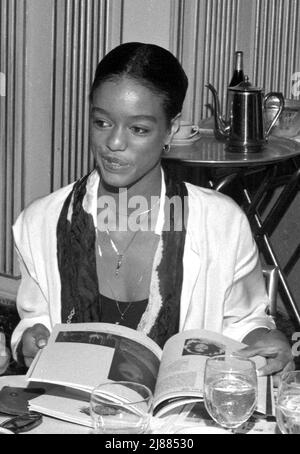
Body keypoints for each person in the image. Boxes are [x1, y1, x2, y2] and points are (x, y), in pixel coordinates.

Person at [11, 42, 293, 380]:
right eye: (102, 122)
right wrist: (30, 337)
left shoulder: (220, 222)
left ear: (171, 129)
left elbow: (243, 321)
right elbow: (35, 317)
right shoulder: (39, 223)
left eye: (138, 129)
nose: (114, 143)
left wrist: (264, 340)